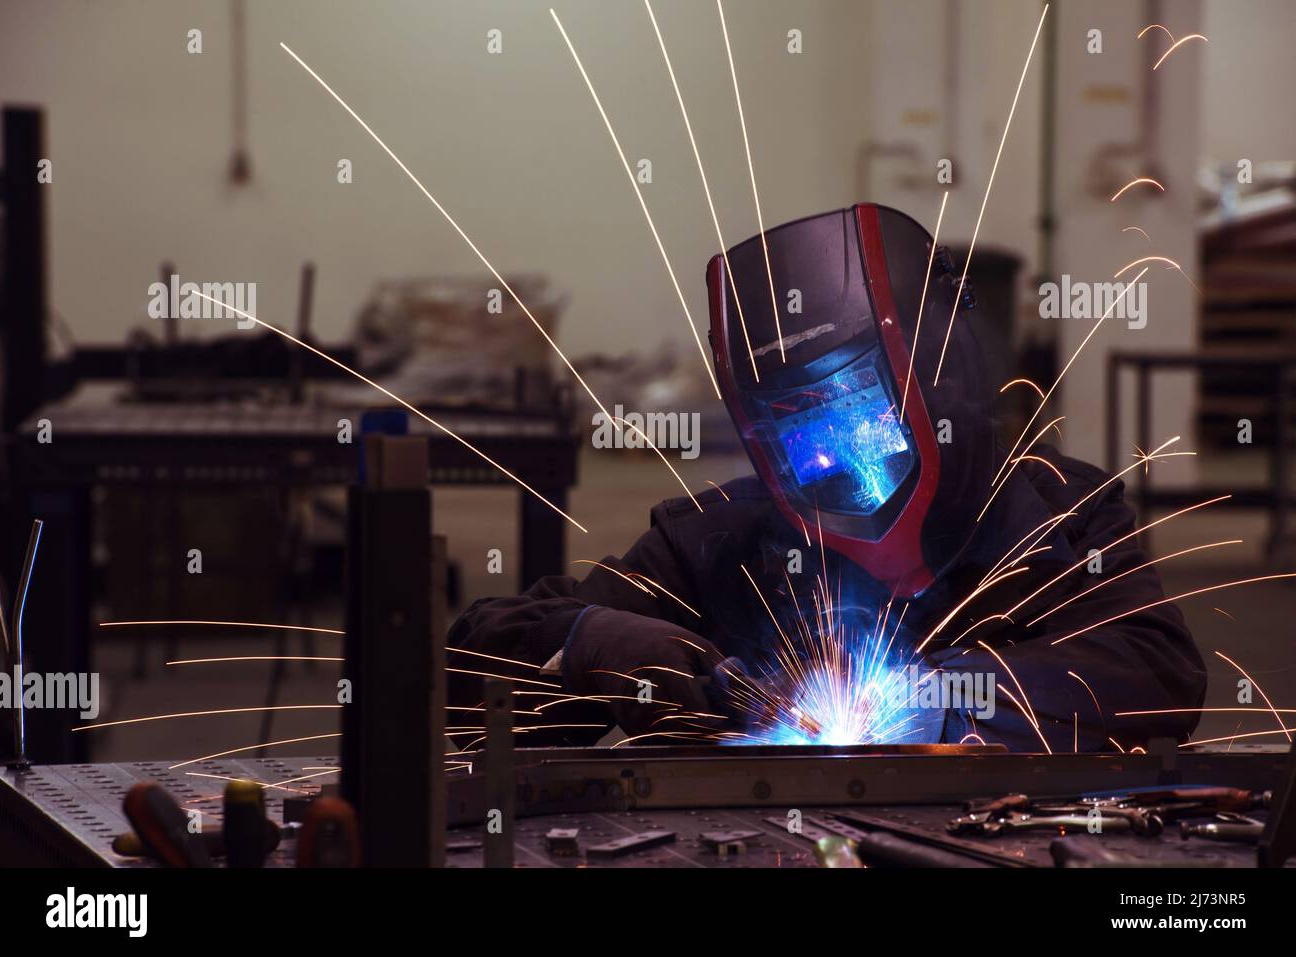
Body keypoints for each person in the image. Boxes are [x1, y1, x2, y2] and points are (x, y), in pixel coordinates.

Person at [447, 203, 1206, 751]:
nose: (839, 456)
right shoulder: (721, 544)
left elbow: (1158, 672)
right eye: (799, 429)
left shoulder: (1058, 514)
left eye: (858, 412)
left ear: (934, 376)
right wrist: (586, 643)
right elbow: (462, 666)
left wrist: (938, 697)